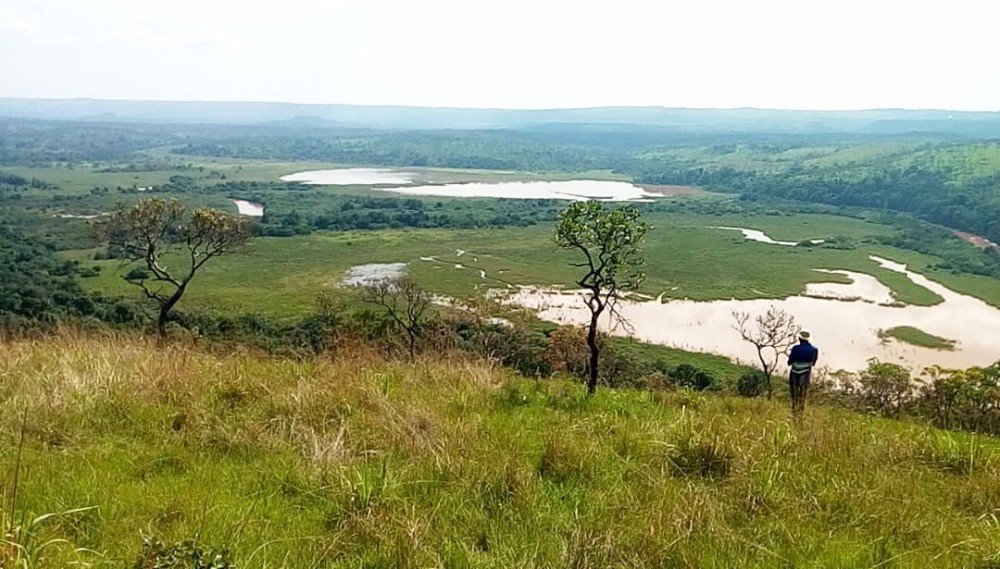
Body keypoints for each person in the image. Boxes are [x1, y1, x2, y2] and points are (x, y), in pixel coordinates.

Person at [787, 330, 819, 415]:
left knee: (794, 394)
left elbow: (789, 362)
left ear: (799, 339)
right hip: (805, 373)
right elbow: (813, 363)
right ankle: (801, 412)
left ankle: (794, 411)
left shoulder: (795, 348)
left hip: (794, 372)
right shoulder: (814, 350)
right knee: (803, 394)